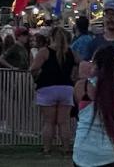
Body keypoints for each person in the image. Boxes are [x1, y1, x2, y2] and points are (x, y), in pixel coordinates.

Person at [31, 26, 76, 156]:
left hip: (47, 87)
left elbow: (33, 68)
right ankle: (66, 148)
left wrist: (36, 77)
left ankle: (47, 149)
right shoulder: (71, 52)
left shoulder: (45, 51)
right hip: (66, 88)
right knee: (64, 122)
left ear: (50, 37)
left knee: (48, 122)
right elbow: (81, 62)